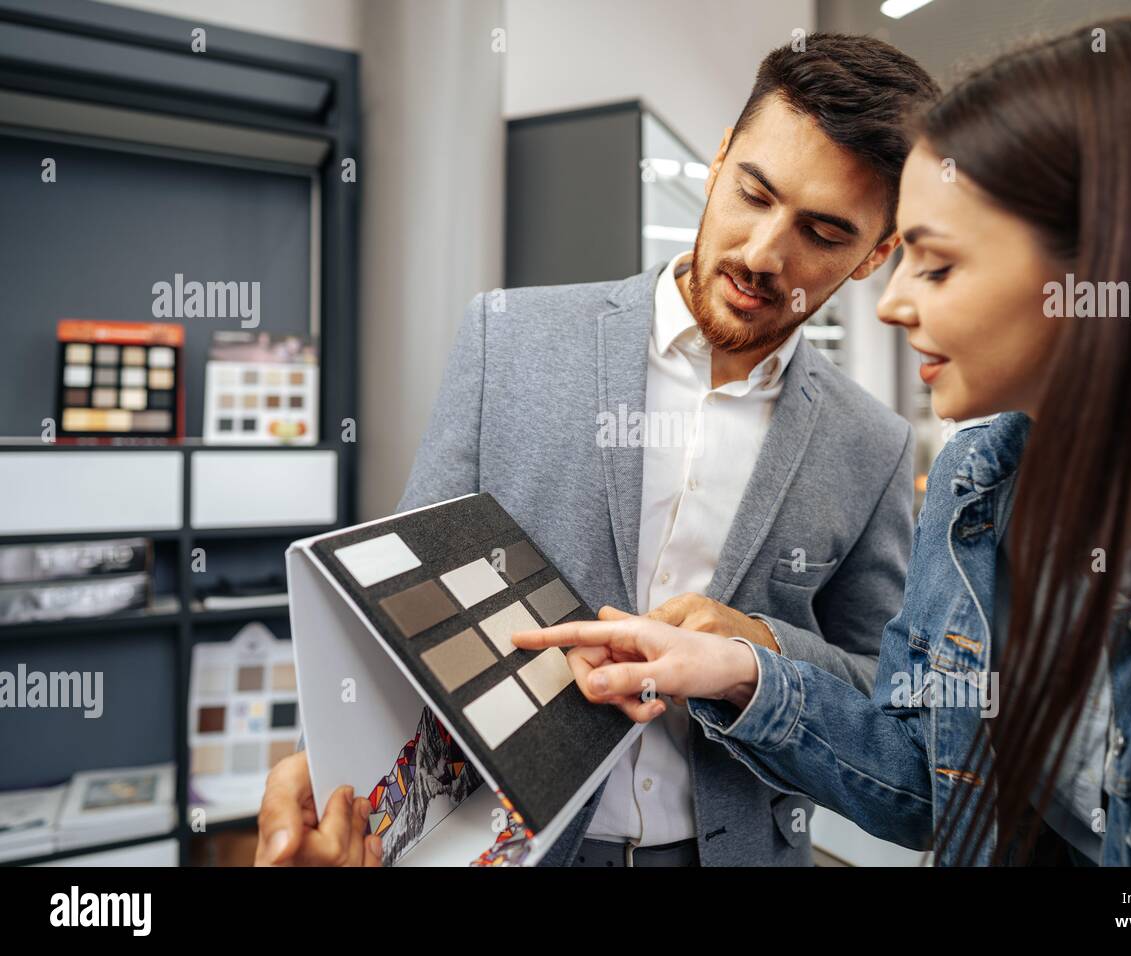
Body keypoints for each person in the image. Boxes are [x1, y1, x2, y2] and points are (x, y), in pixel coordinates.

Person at [515, 15, 1131, 866]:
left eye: (936, 264)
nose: (890, 305)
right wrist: (731, 668)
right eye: (755, 193)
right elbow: (933, 775)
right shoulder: (978, 483)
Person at [255, 33, 939, 867]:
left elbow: (888, 699)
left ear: (876, 254)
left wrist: (754, 646)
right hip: (511, 846)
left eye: (823, 232)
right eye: (753, 193)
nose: (763, 254)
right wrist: (334, 769)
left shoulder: (870, 443)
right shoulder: (508, 339)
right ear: (720, 158)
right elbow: (400, 610)